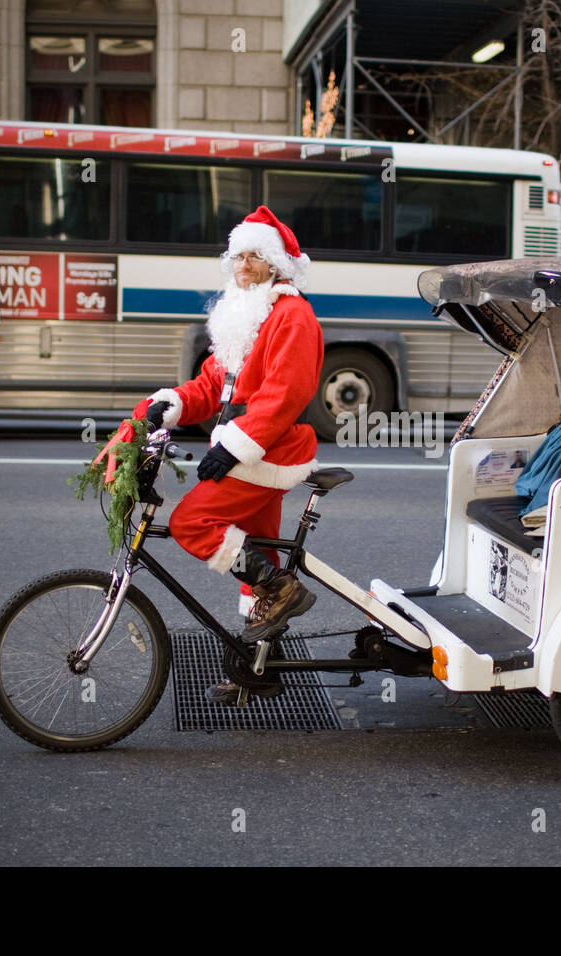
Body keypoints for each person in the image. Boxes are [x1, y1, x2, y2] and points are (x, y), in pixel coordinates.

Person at [134, 206, 323, 702]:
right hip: (253, 450)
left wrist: (236, 447)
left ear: (277, 264)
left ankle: (283, 591)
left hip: (270, 450)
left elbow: (285, 395)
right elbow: (212, 383)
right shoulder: (248, 313)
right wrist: (169, 405)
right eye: (237, 255)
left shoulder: (292, 315)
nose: (242, 265)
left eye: (254, 256)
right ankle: (258, 669)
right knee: (255, 549)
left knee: (191, 523)